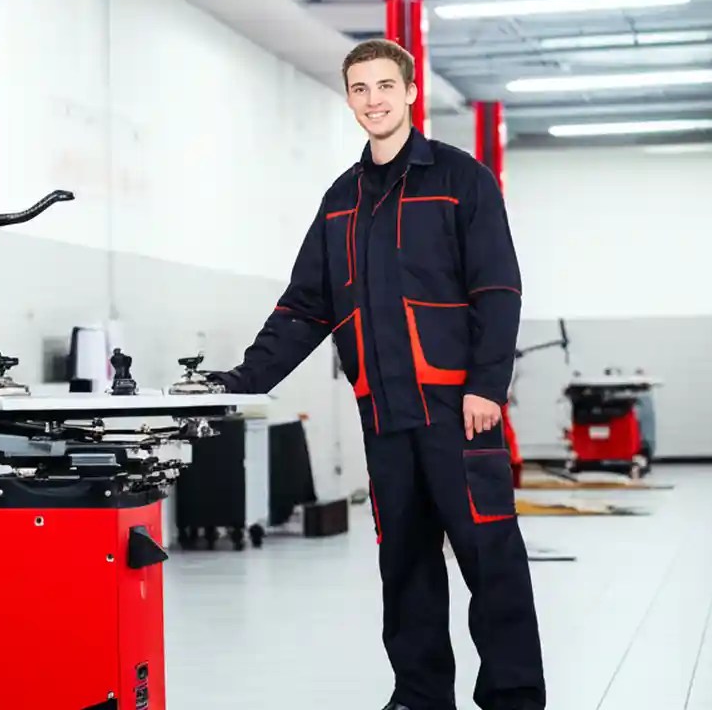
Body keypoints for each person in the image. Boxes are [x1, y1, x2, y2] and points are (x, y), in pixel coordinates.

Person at [206, 39, 546, 710]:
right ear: (350, 99)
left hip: (457, 411)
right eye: (360, 89)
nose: (374, 100)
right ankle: (420, 696)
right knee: (406, 565)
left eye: (385, 85)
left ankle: (514, 697)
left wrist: (486, 384)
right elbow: (306, 306)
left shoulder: (460, 179)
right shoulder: (341, 200)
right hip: (384, 416)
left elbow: (498, 290)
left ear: (411, 91)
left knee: (490, 559)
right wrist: (241, 381)